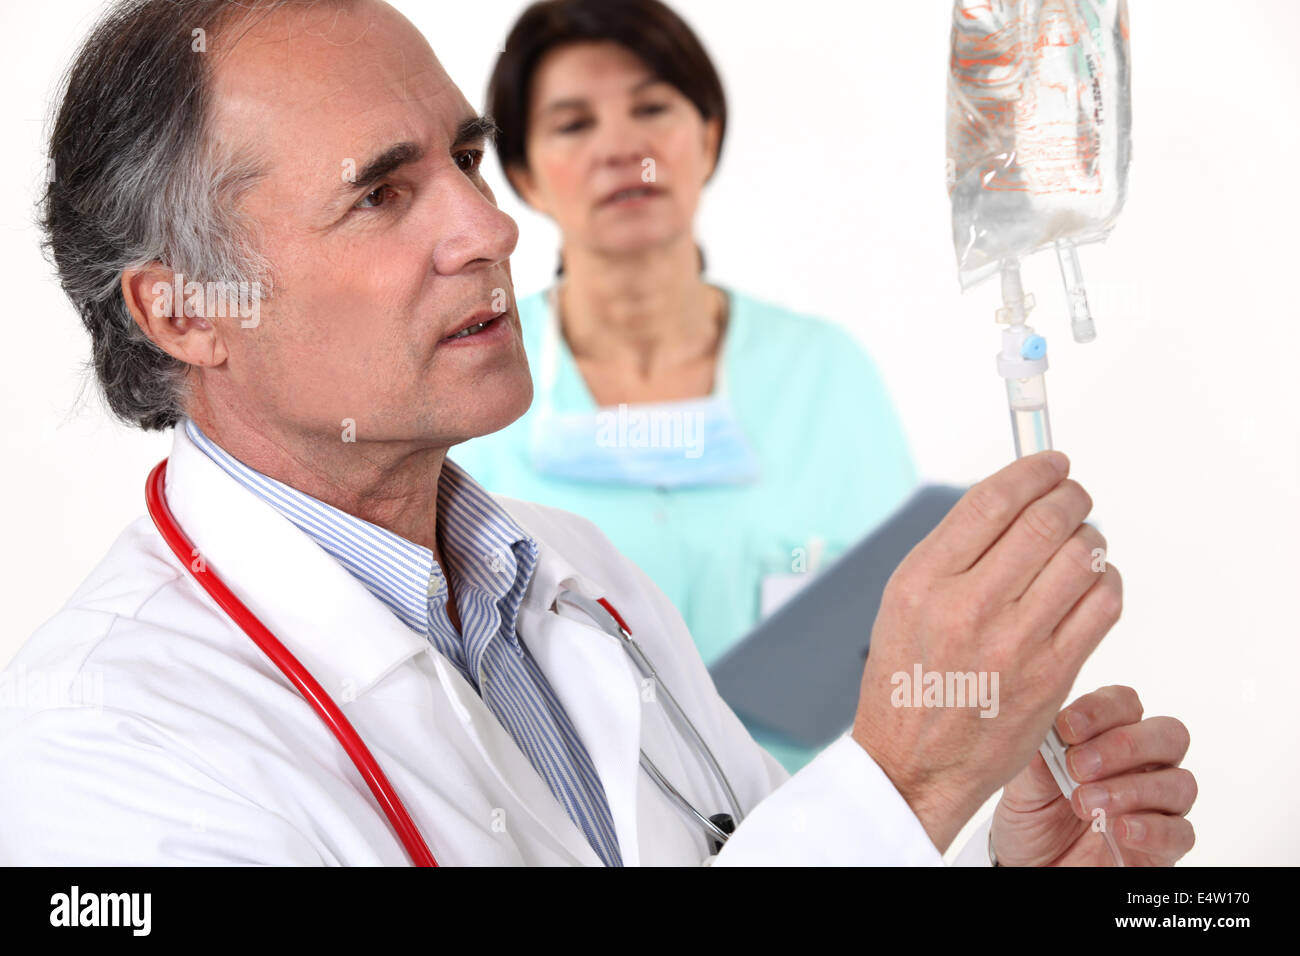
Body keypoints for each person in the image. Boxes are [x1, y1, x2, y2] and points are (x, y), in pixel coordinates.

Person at [0, 0, 1196, 867]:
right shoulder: (101, 745)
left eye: (467, 158)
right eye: (382, 191)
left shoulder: (584, 580)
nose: (490, 226)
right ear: (185, 310)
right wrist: (901, 777)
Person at [450, 0, 916, 773]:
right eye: (573, 124)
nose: (621, 148)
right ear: (524, 176)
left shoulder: (824, 375)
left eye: (652, 108)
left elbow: (904, 643)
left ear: (708, 136)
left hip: (814, 827)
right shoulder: (472, 372)